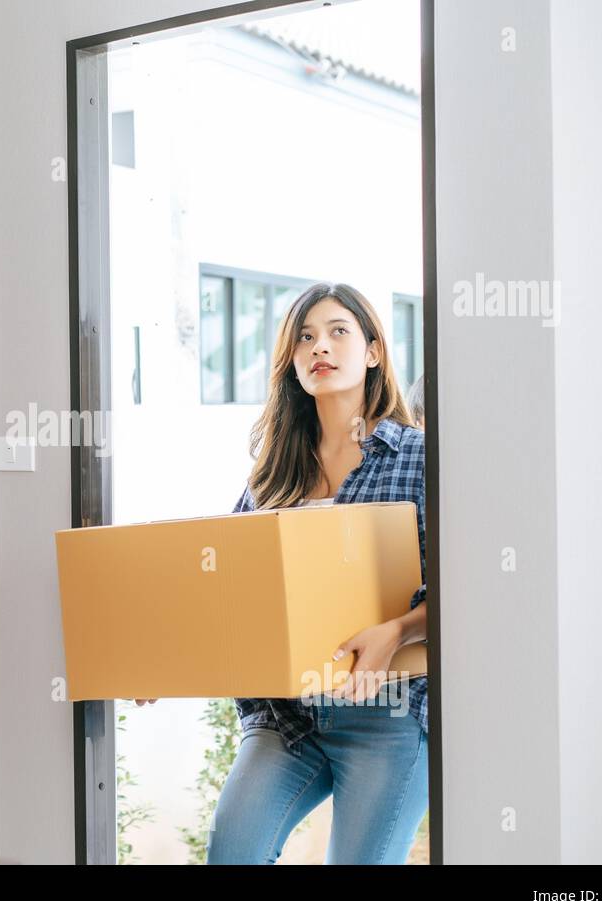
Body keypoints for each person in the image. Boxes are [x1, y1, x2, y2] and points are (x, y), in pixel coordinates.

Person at [136, 282, 428, 865]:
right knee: (233, 853)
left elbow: (471, 591)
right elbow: (230, 588)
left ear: (373, 352)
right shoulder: (271, 478)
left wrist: (397, 631)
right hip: (285, 717)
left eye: (337, 331)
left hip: (385, 715)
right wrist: (169, 658)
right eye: (304, 337)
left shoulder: (420, 458)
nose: (319, 346)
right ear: (291, 363)